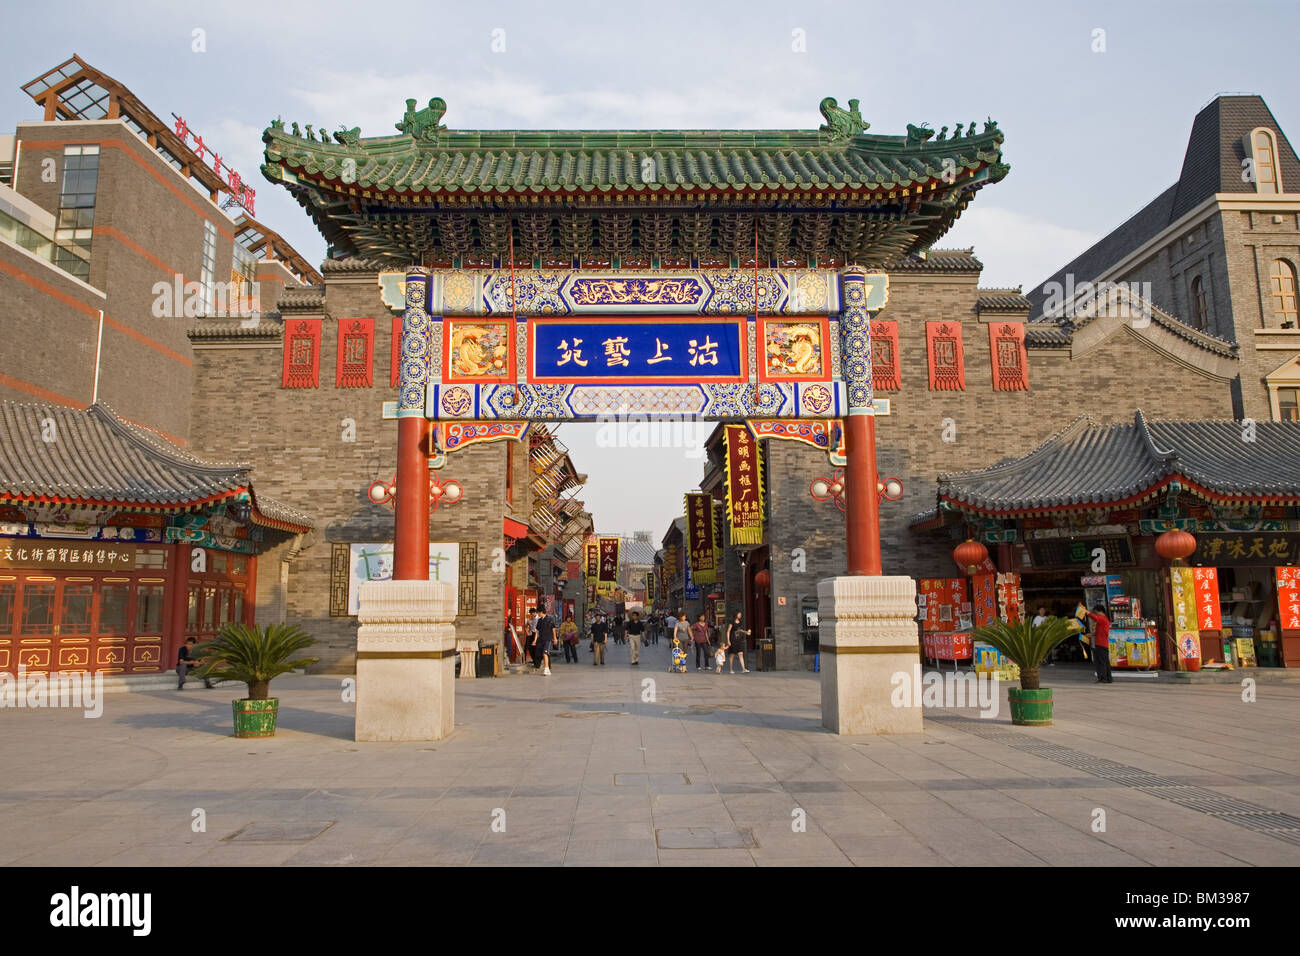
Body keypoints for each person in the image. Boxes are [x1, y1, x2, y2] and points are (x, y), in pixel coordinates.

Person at [1086, 604, 1112, 683]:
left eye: (1096, 612)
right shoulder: (1104, 620)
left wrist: (1086, 612)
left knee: (1101, 662)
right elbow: (1100, 632)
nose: (1095, 613)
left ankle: (1103, 678)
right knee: (1105, 662)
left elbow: (1095, 618)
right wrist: (1092, 634)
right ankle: (1108, 678)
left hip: (1101, 644)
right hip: (1102, 644)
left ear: (1100, 611)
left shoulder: (1102, 619)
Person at [532, 611, 556, 676]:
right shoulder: (539, 620)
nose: (538, 614)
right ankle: (548, 668)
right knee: (542, 654)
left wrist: (555, 638)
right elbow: (537, 631)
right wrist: (535, 640)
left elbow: (553, 629)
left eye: (538, 613)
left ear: (541, 612)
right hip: (541, 639)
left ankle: (546, 669)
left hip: (548, 639)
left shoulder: (549, 619)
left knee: (545, 653)